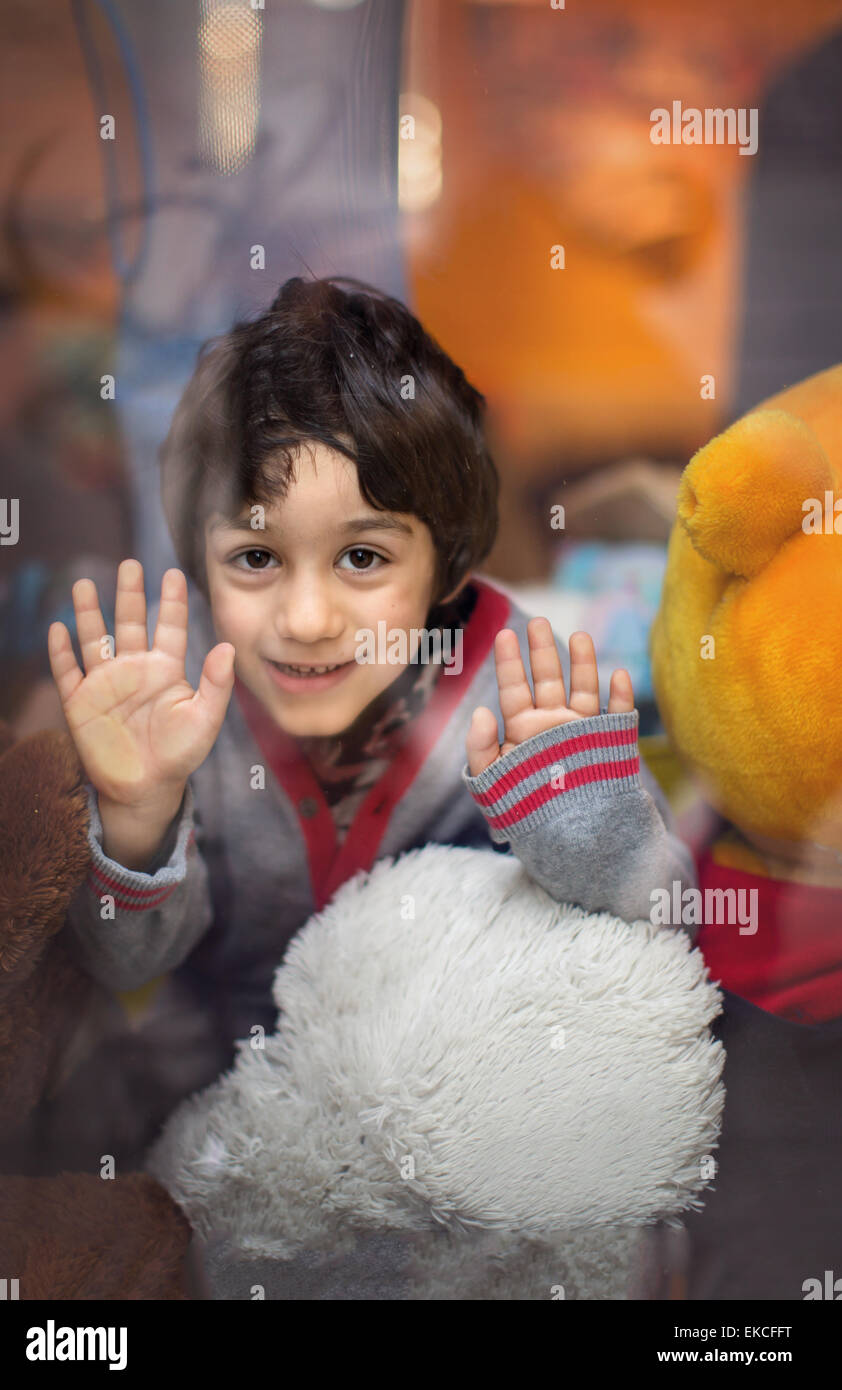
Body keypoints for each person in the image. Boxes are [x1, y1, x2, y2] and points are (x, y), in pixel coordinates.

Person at [47, 275, 694, 1150]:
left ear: (449, 567)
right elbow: (124, 959)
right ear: (199, 565)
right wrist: (135, 816)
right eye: (255, 556)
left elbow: (661, 935)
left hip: (449, 1131)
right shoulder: (177, 693)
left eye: (361, 556)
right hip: (207, 1129)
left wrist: (585, 822)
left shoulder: (516, 681)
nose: (307, 620)